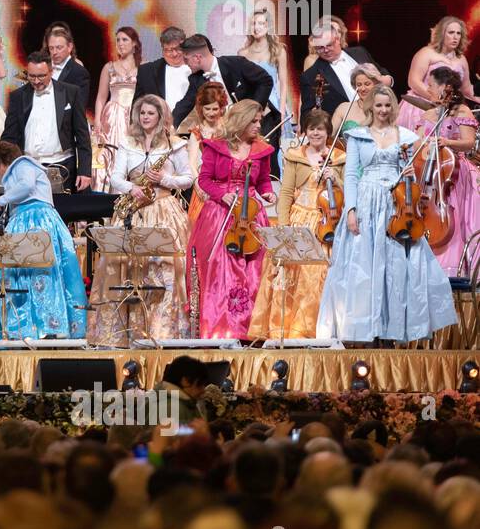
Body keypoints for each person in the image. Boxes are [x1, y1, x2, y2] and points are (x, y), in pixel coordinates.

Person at [316, 86, 456, 342]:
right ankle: (363, 329)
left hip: (394, 205)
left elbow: (409, 174)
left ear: (393, 107)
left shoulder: (406, 136)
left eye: (387, 105)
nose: (382, 110)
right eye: (378, 105)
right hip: (367, 201)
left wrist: (410, 177)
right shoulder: (358, 136)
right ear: (371, 107)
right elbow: (350, 175)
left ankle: (390, 328)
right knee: (362, 266)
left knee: (394, 267)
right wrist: (351, 209)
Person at [87, 96, 192, 344]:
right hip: (133, 210)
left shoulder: (175, 145)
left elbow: (188, 179)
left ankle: (162, 331)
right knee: (126, 268)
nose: (145, 117)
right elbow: (115, 178)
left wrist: (165, 180)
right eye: (142, 113)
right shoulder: (128, 143)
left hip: (164, 209)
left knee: (165, 269)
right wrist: (132, 188)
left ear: (161, 117)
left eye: (151, 113)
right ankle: (125, 333)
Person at [247, 109, 345, 339]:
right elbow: (287, 193)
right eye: (311, 129)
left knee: (315, 277)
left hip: (324, 223)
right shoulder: (295, 155)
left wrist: (336, 178)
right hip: (298, 219)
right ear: (305, 131)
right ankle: (288, 329)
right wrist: (284, 227)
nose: (315, 133)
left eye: (320, 129)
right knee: (288, 276)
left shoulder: (339, 157)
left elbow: (347, 194)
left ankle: (312, 329)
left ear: (328, 132)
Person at [186, 100, 276, 339]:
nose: (258, 126)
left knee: (253, 270)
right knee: (219, 269)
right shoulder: (216, 147)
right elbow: (204, 181)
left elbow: (263, 181)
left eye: (259, 121)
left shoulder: (262, 150)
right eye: (253, 121)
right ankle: (221, 327)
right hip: (219, 214)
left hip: (251, 214)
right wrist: (221, 194)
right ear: (241, 121)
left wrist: (268, 192)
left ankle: (250, 328)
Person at [0, 141, 87, 340]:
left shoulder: (22, 164)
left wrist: (1, 200)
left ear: (3, 162)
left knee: (34, 272)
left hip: (33, 220)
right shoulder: (28, 167)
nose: (0, 174)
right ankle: (34, 328)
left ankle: (43, 327)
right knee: (36, 274)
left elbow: (26, 186)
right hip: (32, 218)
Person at [413, 66, 478, 277]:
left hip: (455, 173)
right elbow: (419, 144)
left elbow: (468, 143)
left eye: (431, 85)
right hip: (432, 173)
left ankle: (456, 267)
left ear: (444, 87)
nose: (427, 89)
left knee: (457, 219)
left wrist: (446, 142)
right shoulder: (429, 113)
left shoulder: (462, 111)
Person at [0, 50, 92, 191]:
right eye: (32, 76)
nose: (36, 81)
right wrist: (3, 165)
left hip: (62, 167)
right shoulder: (17, 97)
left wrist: (85, 171)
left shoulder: (71, 93)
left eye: (41, 76)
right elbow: (9, 136)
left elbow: (82, 135)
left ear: (51, 71)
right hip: (27, 168)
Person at [171, 33, 274, 130]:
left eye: (186, 59)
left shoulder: (236, 63)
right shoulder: (196, 79)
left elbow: (266, 81)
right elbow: (184, 106)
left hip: (261, 122)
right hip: (232, 128)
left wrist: (253, 112)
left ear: (197, 57)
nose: (185, 63)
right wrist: (170, 125)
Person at [300, 15, 392, 116]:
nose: (325, 50)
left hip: (380, 115)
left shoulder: (360, 52)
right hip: (346, 125)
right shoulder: (310, 75)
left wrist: (388, 80)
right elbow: (306, 114)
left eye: (329, 45)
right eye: (320, 47)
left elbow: (382, 72)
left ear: (338, 39)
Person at [398, 16, 474, 132]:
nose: (455, 37)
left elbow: (467, 89)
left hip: (449, 110)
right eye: (451, 32)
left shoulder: (461, 59)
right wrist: (436, 99)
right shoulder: (426, 53)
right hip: (421, 106)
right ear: (441, 34)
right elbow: (413, 81)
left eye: (458, 33)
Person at [93, 26, 141, 191]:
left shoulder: (144, 66)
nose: (120, 43)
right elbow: (101, 97)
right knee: (111, 154)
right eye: (118, 40)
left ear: (134, 43)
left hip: (135, 116)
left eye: (125, 39)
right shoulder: (109, 67)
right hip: (113, 117)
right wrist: (98, 121)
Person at [239, 8, 295, 146]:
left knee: (274, 146)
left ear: (268, 26)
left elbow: (283, 84)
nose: (256, 27)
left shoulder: (278, 50)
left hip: (273, 104)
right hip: (250, 105)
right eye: (253, 23)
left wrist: (282, 111)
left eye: (261, 23)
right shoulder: (242, 53)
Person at [178, 82, 229, 230]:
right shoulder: (197, 132)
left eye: (215, 108)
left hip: (225, 185)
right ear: (201, 108)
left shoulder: (229, 130)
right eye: (207, 109)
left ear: (222, 108)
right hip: (205, 185)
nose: (212, 113)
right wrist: (198, 185)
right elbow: (192, 163)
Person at [135, 26, 193, 112]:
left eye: (177, 49)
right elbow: (137, 106)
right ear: (162, 50)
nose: (174, 54)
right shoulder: (147, 72)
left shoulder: (199, 69)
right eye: (168, 50)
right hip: (159, 124)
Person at [42, 22, 92, 105]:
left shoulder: (80, 73)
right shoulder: (42, 67)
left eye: (59, 47)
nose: (54, 52)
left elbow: (78, 108)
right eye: (51, 48)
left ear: (69, 47)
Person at [331, 64, 381, 137]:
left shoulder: (384, 109)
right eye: (359, 85)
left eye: (367, 84)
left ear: (376, 84)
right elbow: (329, 136)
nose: (363, 89)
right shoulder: (343, 108)